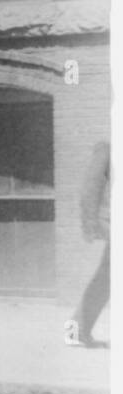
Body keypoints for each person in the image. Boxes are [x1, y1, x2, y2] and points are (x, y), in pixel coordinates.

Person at [70, 141, 110, 348]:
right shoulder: (109, 147)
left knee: (104, 280)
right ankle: (75, 332)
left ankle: (74, 332)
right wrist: (90, 223)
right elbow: (91, 186)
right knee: (105, 280)